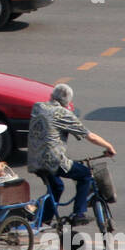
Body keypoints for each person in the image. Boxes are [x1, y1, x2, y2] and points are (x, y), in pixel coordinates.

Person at [26, 84, 115, 226]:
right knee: (85, 175)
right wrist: (108, 146)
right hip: (52, 160)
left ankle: (45, 219)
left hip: (34, 160)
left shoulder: (38, 107)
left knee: (57, 187)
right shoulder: (63, 114)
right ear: (68, 101)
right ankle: (78, 213)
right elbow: (89, 136)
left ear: (52, 95)